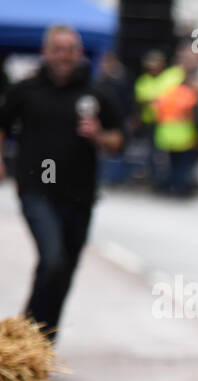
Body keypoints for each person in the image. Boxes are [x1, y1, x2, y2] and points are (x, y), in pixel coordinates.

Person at [0, 25, 123, 341]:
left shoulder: (95, 95)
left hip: (79, 196)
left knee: (64, 272)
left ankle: (41, 342)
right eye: (58, 48)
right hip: (36, 190)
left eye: (70, 49)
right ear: (46, 52)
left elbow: (118, 141)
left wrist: (99, 135)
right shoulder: (25, 90)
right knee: (52, 260)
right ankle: (24, 338)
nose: (64, 55)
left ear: (79, 54)